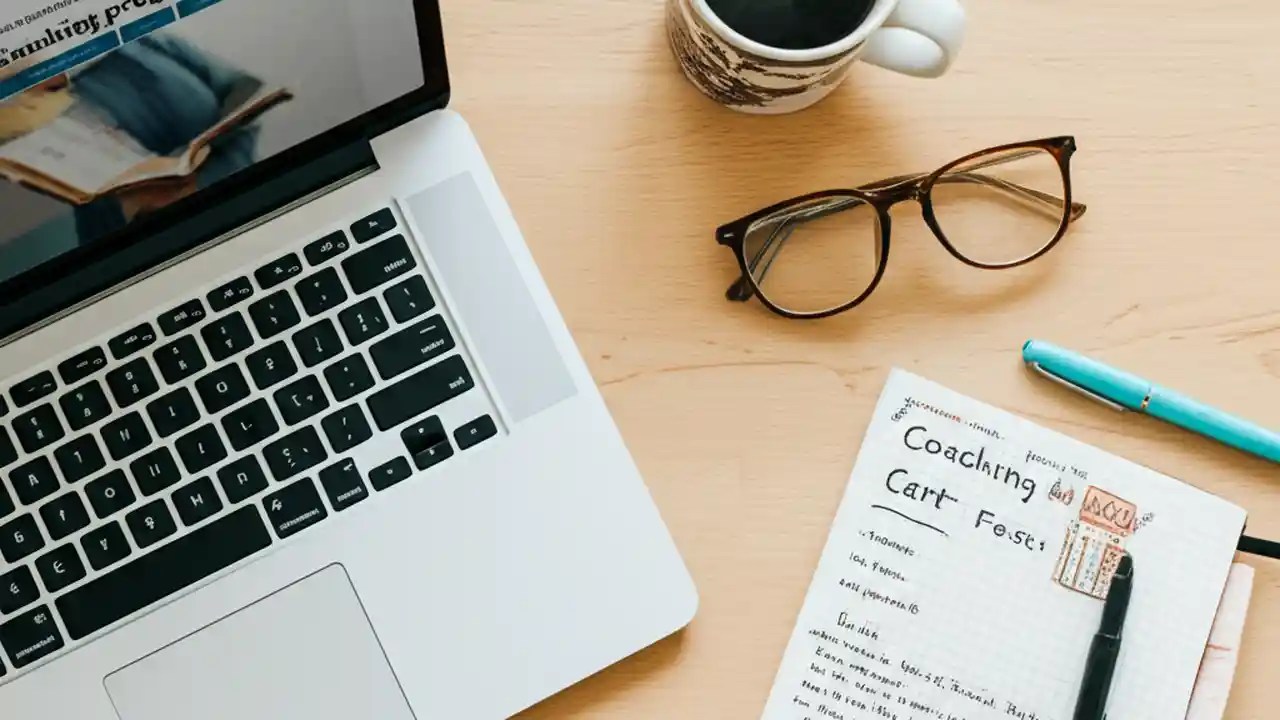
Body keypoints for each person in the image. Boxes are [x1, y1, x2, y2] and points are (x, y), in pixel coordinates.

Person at [0, 33, 262, 275]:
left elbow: (246, 87)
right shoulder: (26, 104)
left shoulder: (144, 40)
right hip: (141, 258)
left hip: (244, 212)